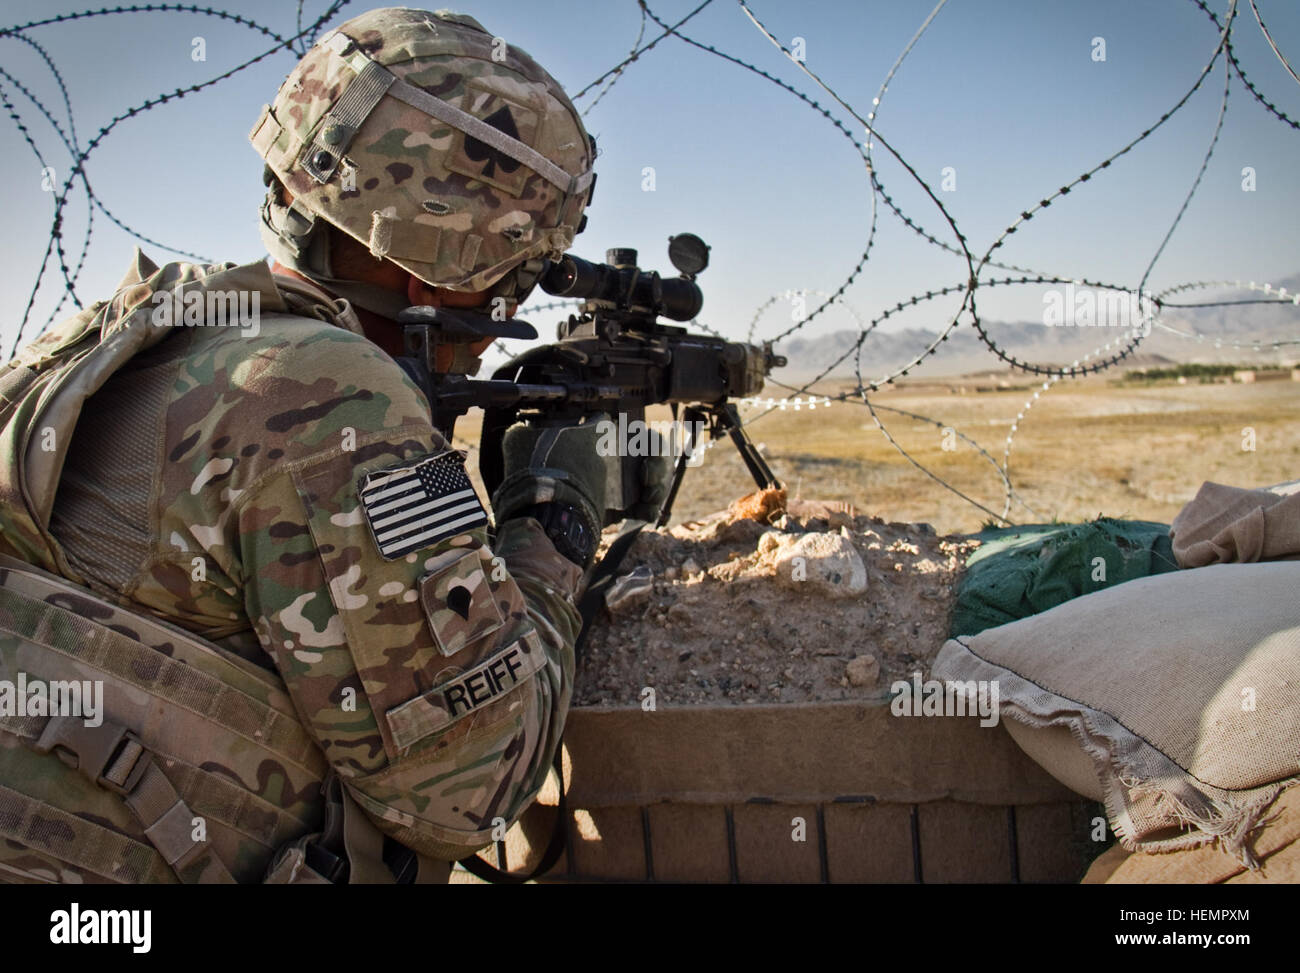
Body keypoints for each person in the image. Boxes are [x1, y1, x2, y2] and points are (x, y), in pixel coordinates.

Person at [0, 7, 608, 884]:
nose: (499, 323)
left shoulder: (151, 335)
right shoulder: (339, 396)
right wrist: (551, 529)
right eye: (512, 278)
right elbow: (469, 788)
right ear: (434, 250)